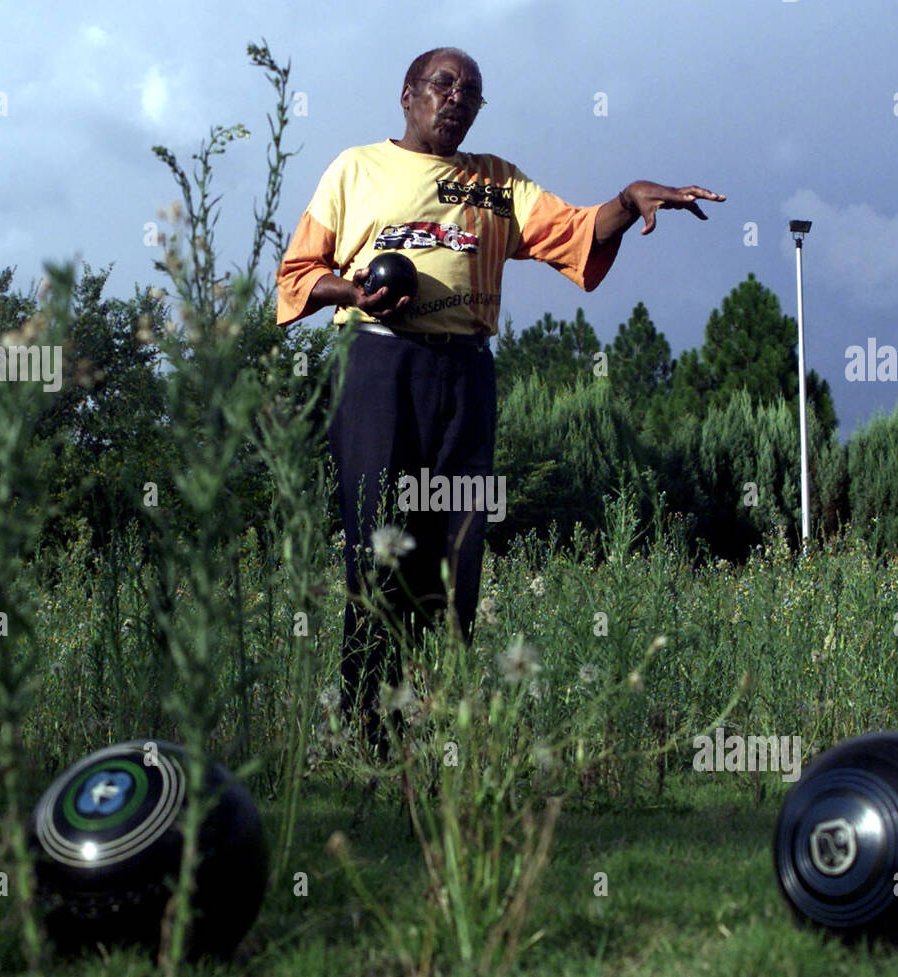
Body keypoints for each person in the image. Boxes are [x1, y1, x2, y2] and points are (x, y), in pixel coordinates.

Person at [276, 46, 723, 758]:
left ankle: (426, 723)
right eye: (443, 85)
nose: (456, 98)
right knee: (380, 545)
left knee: (454, 548)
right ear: (407, 93)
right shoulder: (355, 167)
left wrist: (626, 200)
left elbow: (572, 231)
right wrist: (354, 291)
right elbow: (298, 274)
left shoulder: (497, 182)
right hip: (378, 365)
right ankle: (362, 732)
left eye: (472, 92)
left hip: (466, 375)